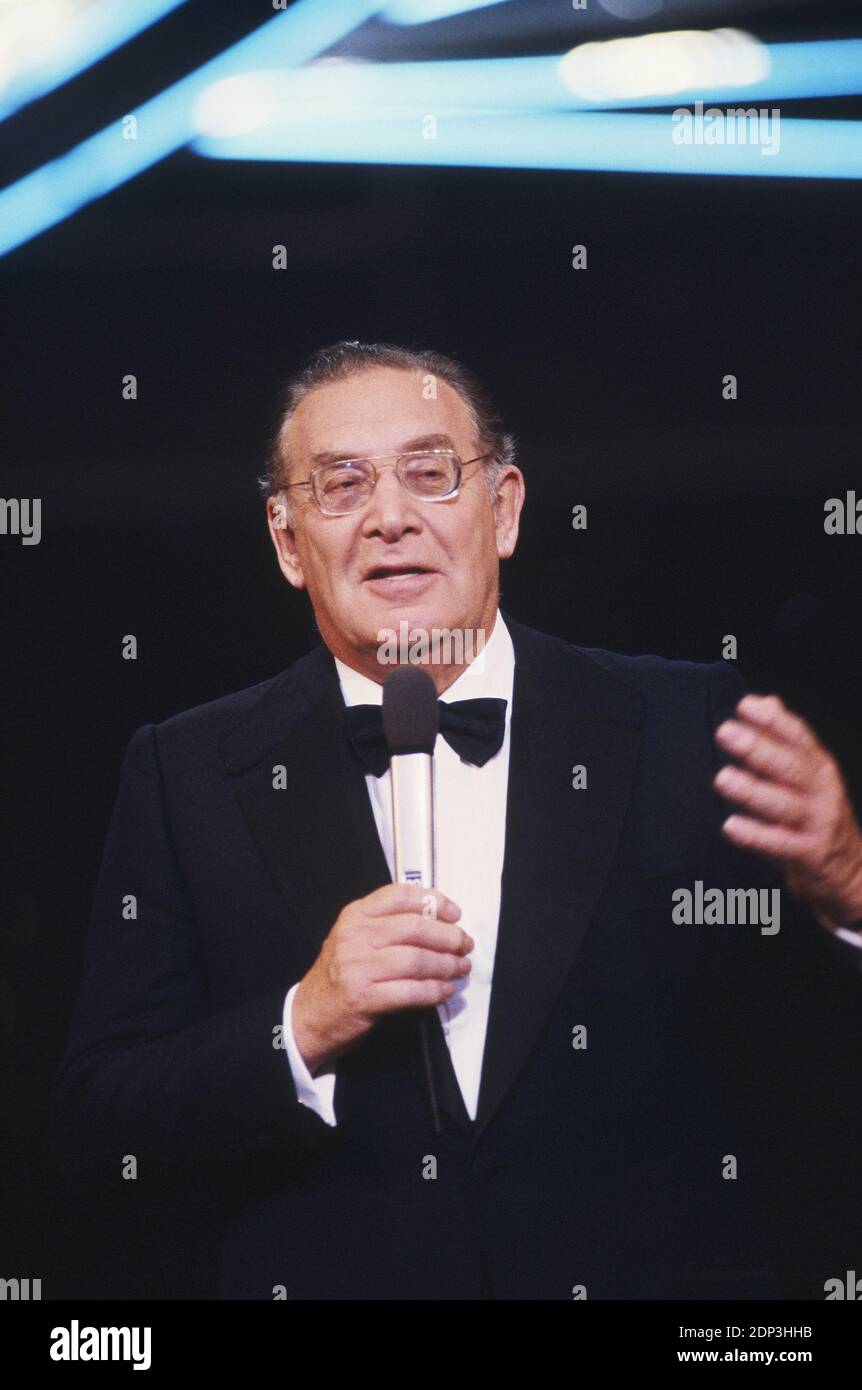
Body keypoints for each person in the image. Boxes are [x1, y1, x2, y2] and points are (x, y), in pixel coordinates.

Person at [52, 341, 862, 1300]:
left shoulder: (690, 725)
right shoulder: (184, 772)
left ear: (505, 507)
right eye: (341, 485)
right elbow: (102, 1121)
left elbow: (808, 1077)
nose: (390, 518)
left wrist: (848, 891)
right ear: (285, 539)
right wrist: (300, 1023)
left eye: (431, 474)